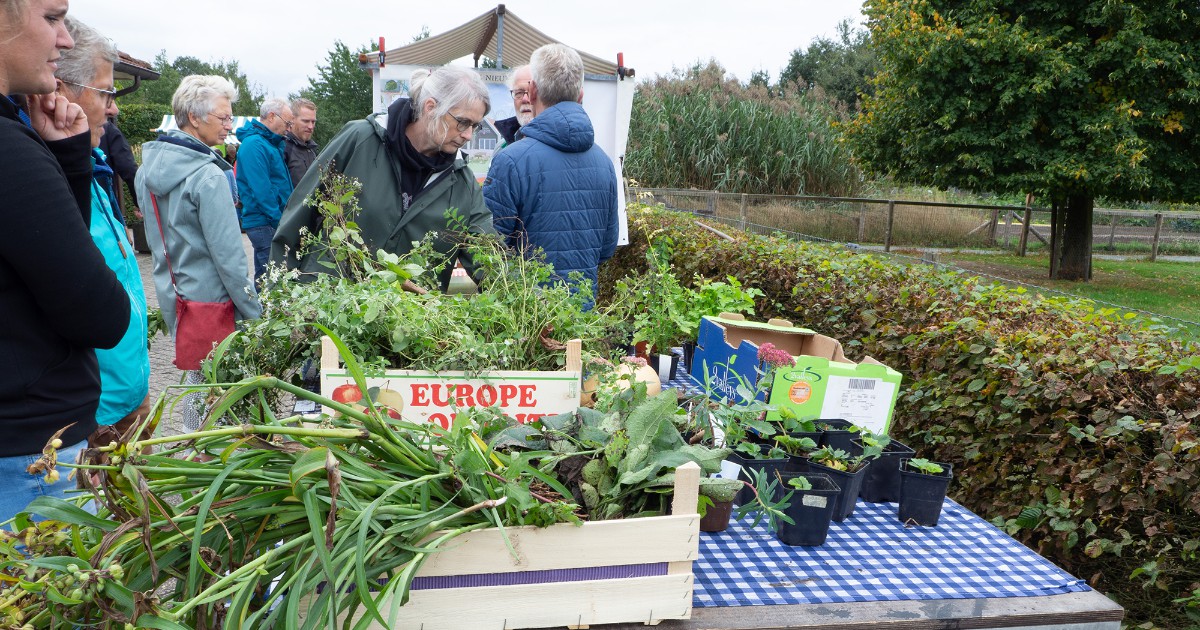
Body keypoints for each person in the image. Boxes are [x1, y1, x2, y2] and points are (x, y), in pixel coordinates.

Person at [1, 0, 131, 521]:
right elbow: (99, 314)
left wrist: (68, 161)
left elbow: (40, 264)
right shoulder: (9, 154)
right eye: (52, 17)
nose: (66, 40)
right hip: (25, 453)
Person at [272, 66, 495, 290]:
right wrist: (282, 298)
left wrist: (521, 296)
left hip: (405, 321)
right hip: (326, 310)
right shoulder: (360, 140)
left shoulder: (462, 182)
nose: (468, 135)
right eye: (463, 122)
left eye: (475, 126)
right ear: (431, 107)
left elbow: (488, 259)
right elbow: (299, 218)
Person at [135, 75, 261, 431]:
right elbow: (230, 258)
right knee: (219, 395)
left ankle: (193, 453)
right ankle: (206, 463)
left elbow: (153, 237)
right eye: (222, 117)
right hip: (214, 302)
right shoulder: (208, 176)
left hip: (174, 294)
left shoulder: (145, 172)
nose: (229, 125)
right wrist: (254, 312)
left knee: (196, 385)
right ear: (193, 116)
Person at [54, 17, 151, 447]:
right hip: (93, 414)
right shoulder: (46, 183)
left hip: (130, 390)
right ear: (59, 91)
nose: (114, 108)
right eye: (106, 92)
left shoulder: (90, 169)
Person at [483, 44, 619, 307]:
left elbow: (488, 250)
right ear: (580, 95)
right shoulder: (604, 163)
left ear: (532, 92)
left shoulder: (511, 160)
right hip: (581, 319)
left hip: (525, 317)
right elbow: (606, 248)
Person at [235, 97, 293, 282]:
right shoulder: (255, 145)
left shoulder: (269, 144)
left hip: (269, 221)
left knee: (270, 275)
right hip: (265, 222)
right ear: (271, 117)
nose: (289, 128)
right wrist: (279, 222)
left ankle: (264, 309)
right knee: (269, 278)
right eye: (287, 122)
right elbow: (262, 191)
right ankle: (264, 310)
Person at [493, 65, 532, 149]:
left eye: (532, 92)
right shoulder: (501, 147)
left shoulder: (560, 144)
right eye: (519, 93)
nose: (525, 99)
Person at [284, 97, 318, 185]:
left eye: (313, 122)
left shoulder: (312, 150)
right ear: (292, 120)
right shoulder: (283, 148)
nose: (310, 126)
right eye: (306, 121)